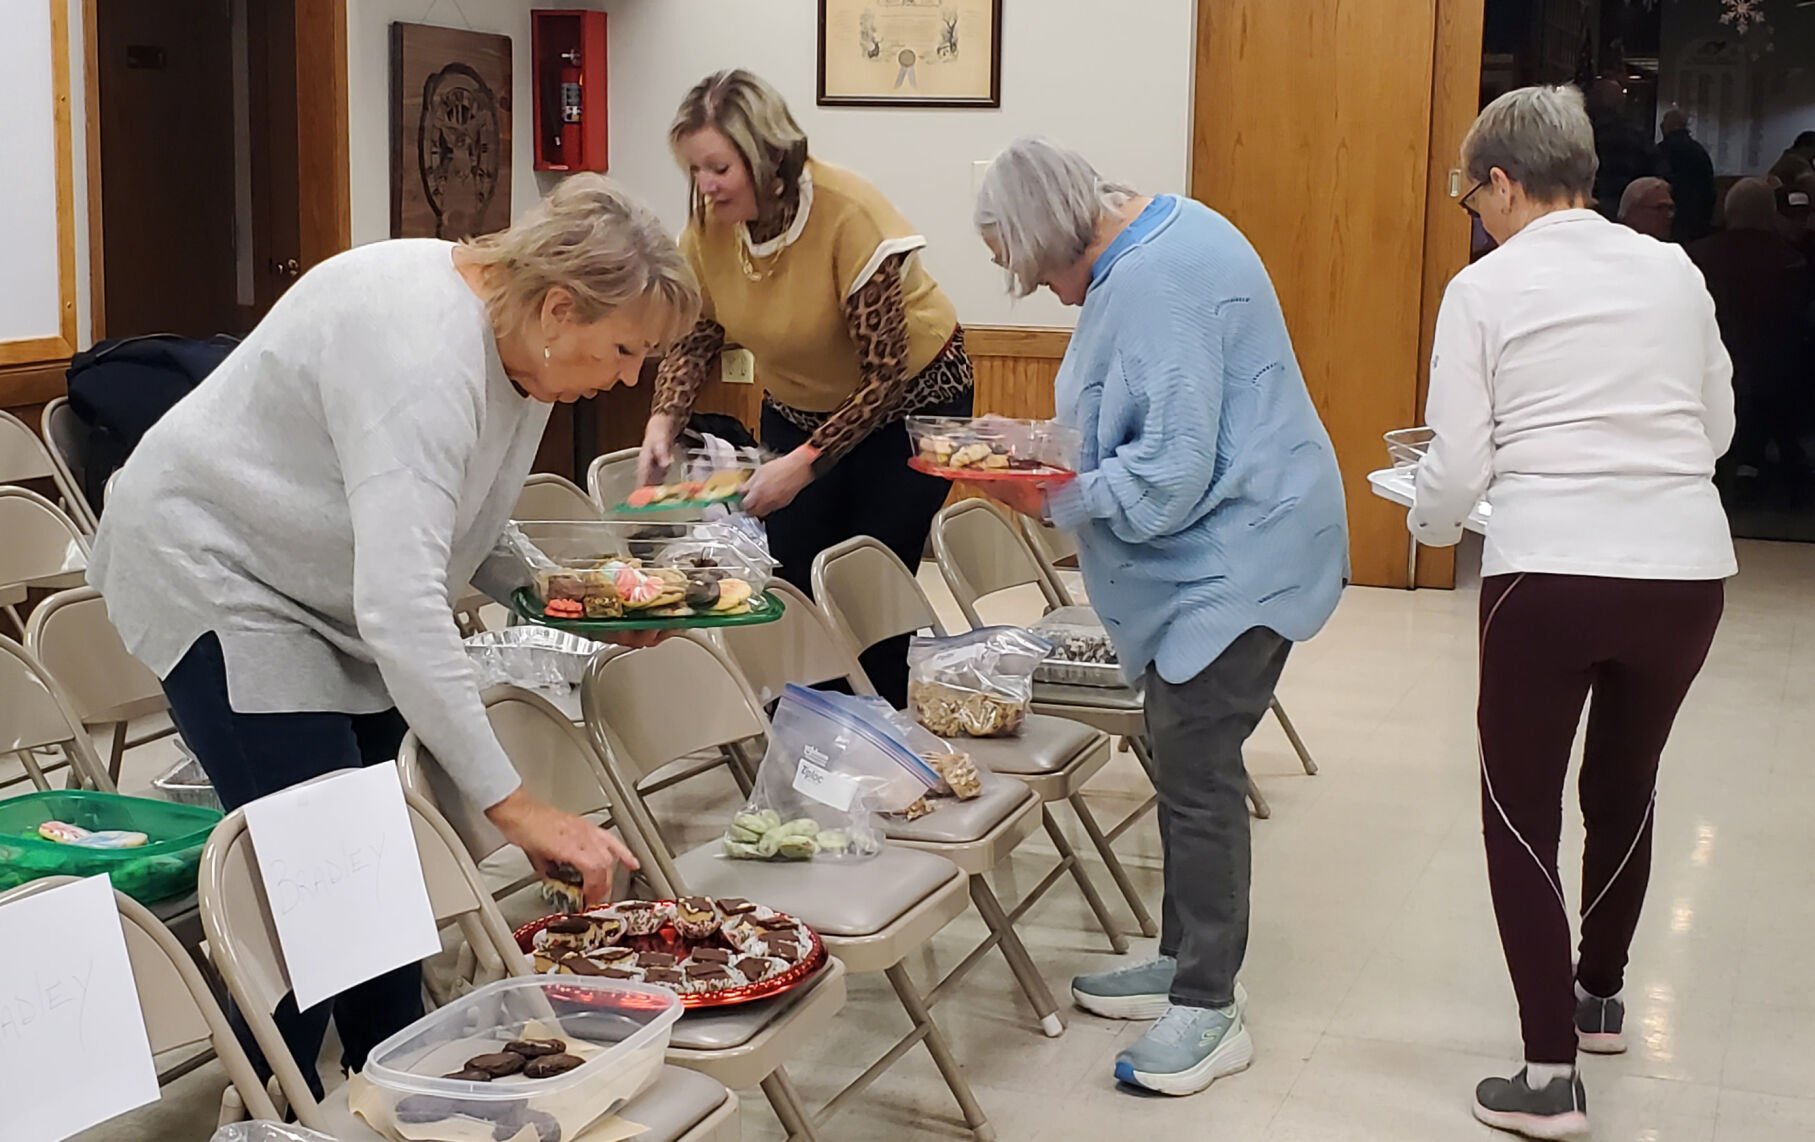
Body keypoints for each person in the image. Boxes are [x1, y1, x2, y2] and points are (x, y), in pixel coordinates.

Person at [90, 175, 699, 1091]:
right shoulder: (419, 349)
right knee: (315, 887)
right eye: (621, 350)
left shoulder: (521, 337)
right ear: (561, 305)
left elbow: (466, 522)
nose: (625, 377)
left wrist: (571, 599)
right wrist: (514, 802)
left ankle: (401, 1089)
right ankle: (272, 1113)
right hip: (220, 572)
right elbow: (405, 604)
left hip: (329, 584)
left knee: (380, 869)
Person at [972, 136, 1348, 1098]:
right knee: (1187, 758)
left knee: (1196, 771)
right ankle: (1181, 960)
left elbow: (1172, 470)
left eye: (1037, 271)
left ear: (1057, 233)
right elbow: (1149, 412)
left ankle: (1209, 1006)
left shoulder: (1148, 279)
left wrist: (1045, 496)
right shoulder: (1168, 230)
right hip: (1254, 536)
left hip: (1238, 557)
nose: (1051, 296)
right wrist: (1042, 445)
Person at [1414, 86, 1735, 1140]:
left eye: (1474, 194)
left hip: (1548, 568)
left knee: (1521, 808)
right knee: (1626, 783)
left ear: (1503, 181)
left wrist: (1426, 514)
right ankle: (1598, 997)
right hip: (1685, 572)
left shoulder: (1485, 287)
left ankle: (1548, 1074)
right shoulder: (1675, 269)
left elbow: (1457, 467)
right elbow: (1717, 423)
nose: (1475, 214)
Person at [641, 70, 974, 707]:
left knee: (866, 587)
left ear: (767, 157)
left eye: (719, 168)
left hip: (909, 407)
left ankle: (876, 750)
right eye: (695, 171)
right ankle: (805, 741)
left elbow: (882, 379)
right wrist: (664, 417)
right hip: (800, 405)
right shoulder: (710, 227)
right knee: (793, 579)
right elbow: (698, 333)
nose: (705, 187)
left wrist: (802, 466)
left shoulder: (849, 213)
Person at [1691, 179, 1813, 501]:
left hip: (1705, 378)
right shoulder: (1793, 263)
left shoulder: (1696, 259)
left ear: (1727, 211)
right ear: (1772, 214)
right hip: (1777, 382)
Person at [1587, 77, 1664, 220]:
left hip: (1586, 208)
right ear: (1620, 103)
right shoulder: (1636, 136)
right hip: (1627, 210)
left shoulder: (1580, 135)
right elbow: (1657, 173)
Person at [1658, 108, 1715, 242]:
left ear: (1669, 126)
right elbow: (1709, 190)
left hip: (1667, 218)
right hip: (1696, 220)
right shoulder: (1699, 152)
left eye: (1663, 123)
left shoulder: (1661, 151)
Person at [1617, 176, 1675, 241]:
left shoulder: (1673, 250)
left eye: (1670, 208)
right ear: (1632, 213)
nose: (1670, 215)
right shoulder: (1612, 247)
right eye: (1659, 208)